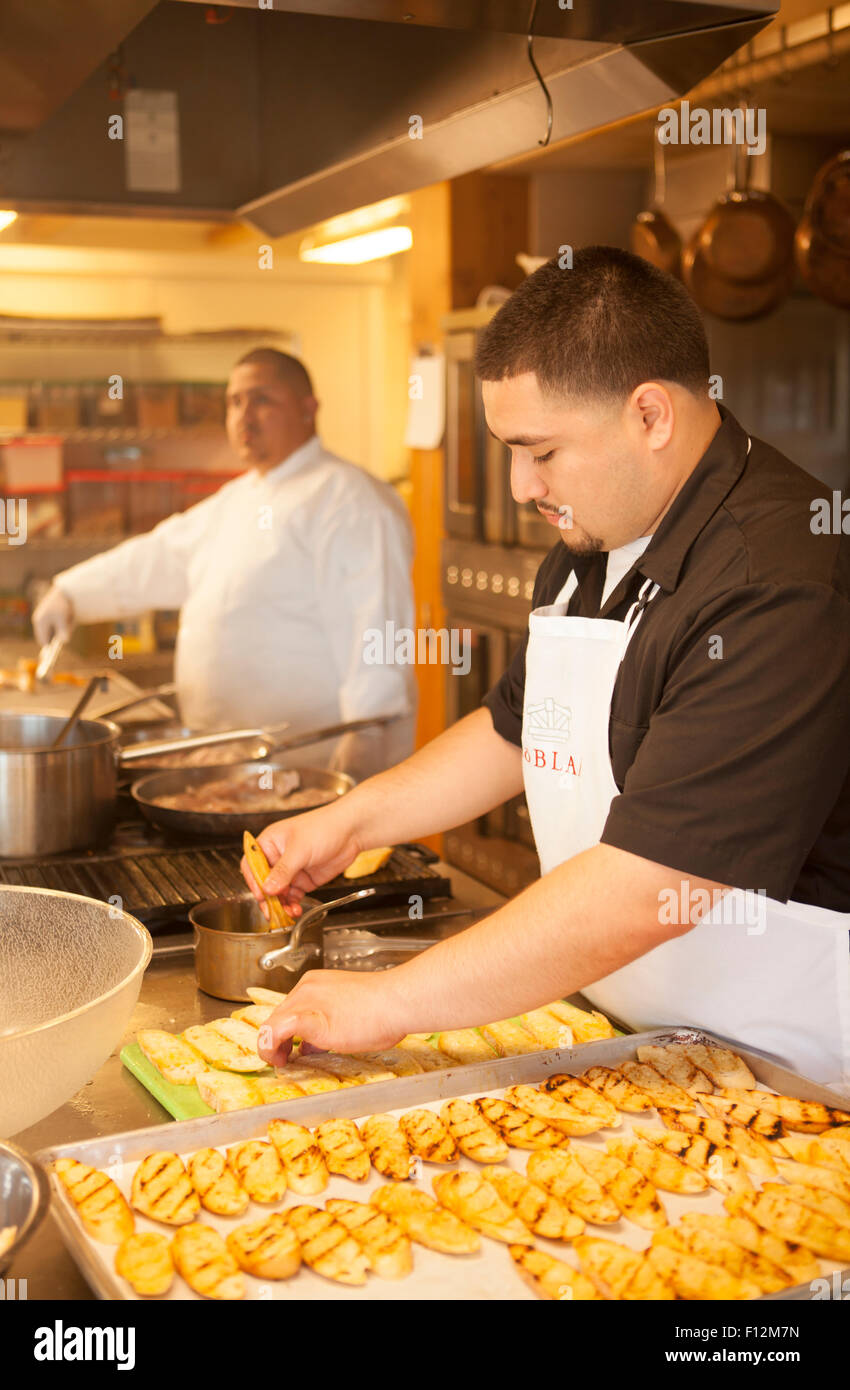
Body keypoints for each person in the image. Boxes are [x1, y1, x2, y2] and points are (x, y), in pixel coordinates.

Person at [242, 247, 850, 1089]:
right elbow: (513, 728)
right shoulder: (591, 541)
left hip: (790, 1078)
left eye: (543, 451)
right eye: (509, 451)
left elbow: (648, 885)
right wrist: (352, 822)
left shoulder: (779, 582)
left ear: (651, 415)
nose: (523, 485)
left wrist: (390, 1002)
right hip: (635, 1040)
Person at [32, 348, 416, 775]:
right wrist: (70, 591)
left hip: (311, 767)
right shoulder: (237, 499)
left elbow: (377, 626)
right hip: (223, 759)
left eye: (263, 400)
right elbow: (158, 557)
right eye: (234, 402)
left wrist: (365, 738)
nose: (244, 416)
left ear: (309, 408)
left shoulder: (351, 500)